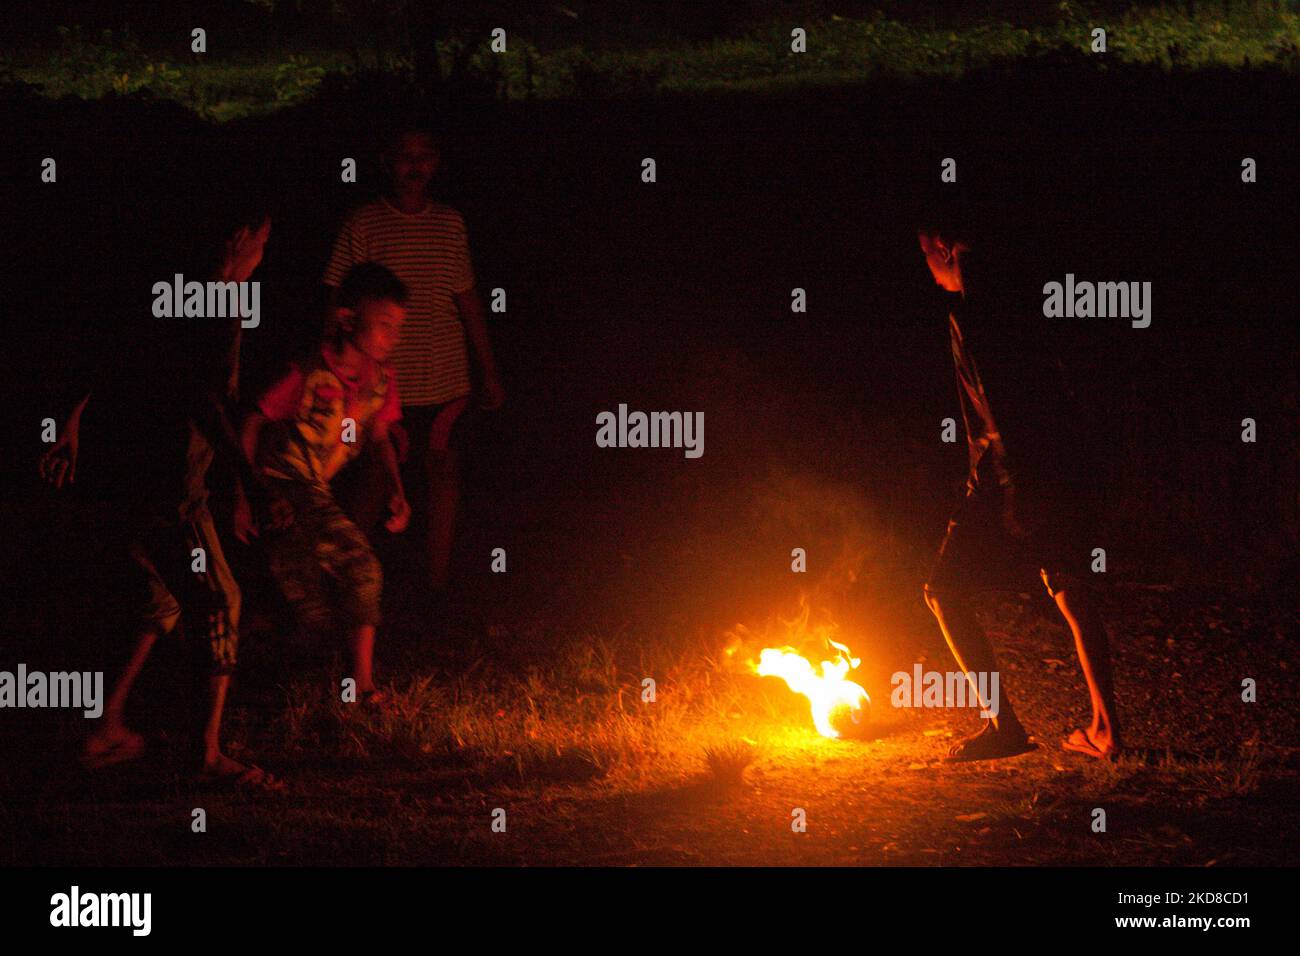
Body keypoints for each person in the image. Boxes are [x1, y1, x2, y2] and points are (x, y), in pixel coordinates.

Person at [39, 211, 292, 790]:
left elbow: (110, 346)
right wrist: (250, 484)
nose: (264, 255)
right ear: (239, 238)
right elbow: (208, 402)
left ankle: (104, 728)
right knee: (220, 600)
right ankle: (206, 756)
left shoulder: (173, 285)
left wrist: (72, 420)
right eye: (262, 242)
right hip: (170, 487)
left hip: (130, 472)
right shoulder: (216, 302)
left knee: (161, 603)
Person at [917, 222, 1121, 761]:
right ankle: (1106, 731)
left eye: (926, 256)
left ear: (943, 248)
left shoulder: (972, 315)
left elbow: (997, 408)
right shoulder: (1023, 304)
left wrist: (1006, 490)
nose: (928, 271)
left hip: (1011, 471)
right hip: (1057, 466)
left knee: (943, 589)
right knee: (1068, 585)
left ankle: (1004, 727)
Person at [323, 120, 504, 591]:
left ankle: (437, 583)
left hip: (442, 374)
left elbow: (466, 299)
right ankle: (350, 580)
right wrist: (332, 364)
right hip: (381, 379)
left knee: (443, 472)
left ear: (437, 163)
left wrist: (488, 370)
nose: (414, 166)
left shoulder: (448, 223)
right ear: (387, 162)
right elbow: (337, 298)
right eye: (405, 155)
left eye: (424, 156)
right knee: (374, 478)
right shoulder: (364, 222)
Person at [242, 263, 410, 708]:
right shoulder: (309, 370)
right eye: (384, 325)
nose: (393, 336)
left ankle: (354, 685)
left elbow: (378, 433)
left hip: (313, 490)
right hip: (280, 484)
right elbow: (254, 419)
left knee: (331, 589)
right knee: (319, 594)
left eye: (399, 327)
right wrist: (244, 494)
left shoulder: (381, 378)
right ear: (346, 320)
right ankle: (342, 685)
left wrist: (397, 488)